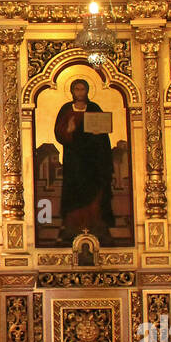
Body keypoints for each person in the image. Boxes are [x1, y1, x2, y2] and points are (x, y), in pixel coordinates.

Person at [54, 78, 115, 244]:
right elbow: (59, 133)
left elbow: (103, 134)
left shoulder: (94, 108)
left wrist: (98, 133)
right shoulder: (66, 109)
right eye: (77, 89)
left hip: (93, 160)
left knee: (94, 191)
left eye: (82, 89)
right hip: (74, 160)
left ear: (87, 91)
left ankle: (96, 227)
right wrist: (69, 130)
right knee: (75, 192)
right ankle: (72, 228)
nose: (80, 92)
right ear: (72, 91)